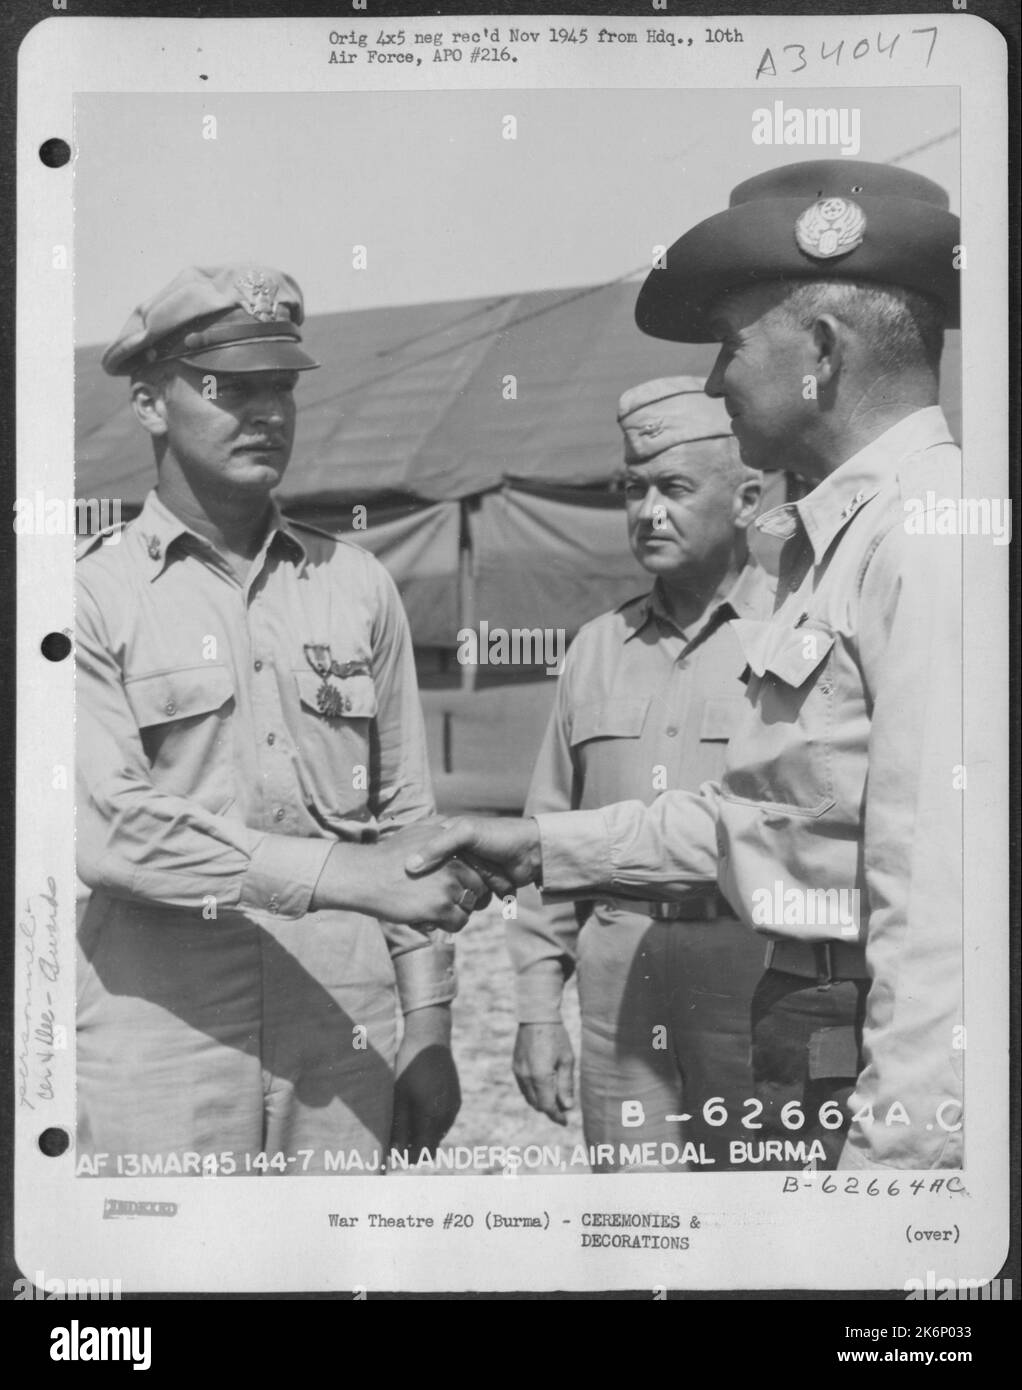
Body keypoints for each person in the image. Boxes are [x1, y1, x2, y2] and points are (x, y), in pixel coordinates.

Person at [408, 160, 965, 1171]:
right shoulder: (840, 543)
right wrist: (532, 842)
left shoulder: (926, 538)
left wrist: (899, 1193)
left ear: (820, 353)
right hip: (808, 1015)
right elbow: (759, 820)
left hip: (869, 1045)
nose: (712, 381)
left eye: (729, 343)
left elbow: (941, 913)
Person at [76, 264, 493, 1175]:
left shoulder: (354, 584)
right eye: (229, 388)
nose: (265, 413)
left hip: (340, 1022)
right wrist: (351, 874)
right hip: (165, 1028)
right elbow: (113, 828)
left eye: (282, 389)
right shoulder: (86, 593)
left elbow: (407, 822)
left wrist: (427, 1026)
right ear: (150, 405)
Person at [508, 379, 771, 1169]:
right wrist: (536, 1010)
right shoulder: (595, 647)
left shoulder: (803, 633)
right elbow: (545, 837)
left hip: (755, 979)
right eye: (634, 489)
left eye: (675, 488)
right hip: (619, 990)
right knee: (636, 1231)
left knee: (763, 1242)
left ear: (749, 498)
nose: (648, 511)